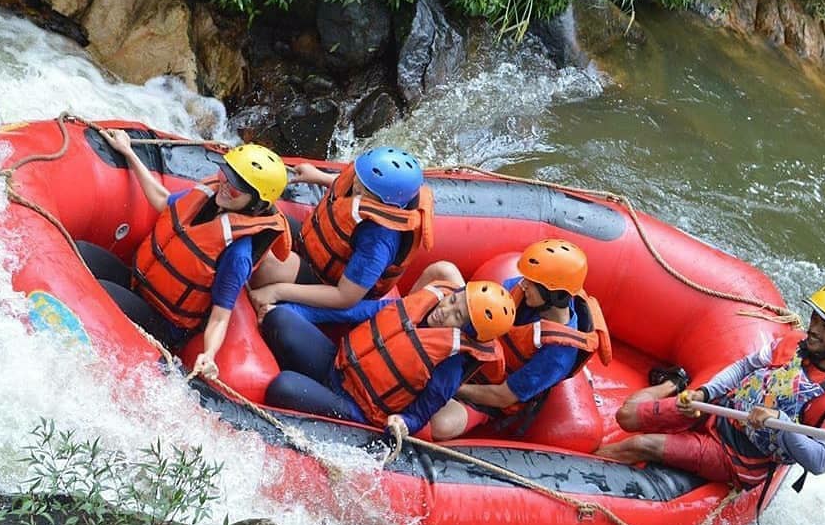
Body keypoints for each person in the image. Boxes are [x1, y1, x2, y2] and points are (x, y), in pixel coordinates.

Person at [595, 285, 825, 493]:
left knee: (641, 444)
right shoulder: (795, 343)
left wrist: (782, 423)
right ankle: (674, 383)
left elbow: (820, 461)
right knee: (627, 416)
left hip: (741, 456)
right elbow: (743, 368)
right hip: (717, 410)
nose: (814, 329)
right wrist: (704, 393)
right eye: (815, 319)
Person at [78, 129, 290, 378]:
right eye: (226, 174)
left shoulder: (237, 253)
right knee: (80, 251)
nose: (225, 186)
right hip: (140, 281)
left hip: (163, 321)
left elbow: (221, 316)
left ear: (256, 203)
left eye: (235, 189)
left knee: (101, 290)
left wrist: (209, 355)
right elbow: (162, 201)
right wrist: (128, 152)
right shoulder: (207, 198)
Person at [262, 280, 516, 440]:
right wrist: (296, 310)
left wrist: (404, 422)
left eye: (457, 315)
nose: (444, 311)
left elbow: (422, 412)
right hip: (338, 365)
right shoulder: (426, 302)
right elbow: (365, 311)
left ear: (467, 333)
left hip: (357, 408)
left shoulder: (451, 364)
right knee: (280, 319)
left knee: (283, 386)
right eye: (452, 301)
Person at [424, 240, 611, 439]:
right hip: (470, 348)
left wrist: (451, 387)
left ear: (554, 296)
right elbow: (481, 315)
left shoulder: (557, 354)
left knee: (441, 425)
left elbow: (502, 397)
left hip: (483, 393)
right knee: (443, 270)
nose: (523, 284)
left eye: (532, 283)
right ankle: (402, 320)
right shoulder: (525, 292)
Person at [249, 146, 434, 315]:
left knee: (266, 266)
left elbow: (345, 297)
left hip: (329, 282)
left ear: (386, 205)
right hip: (314, 247)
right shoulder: (364, 190)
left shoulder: (378, 242)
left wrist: (276, 291)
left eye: (364, 190)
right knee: (259, 215)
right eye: (357, 180)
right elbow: (351, 192)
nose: (355, 187)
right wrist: (319, 176)